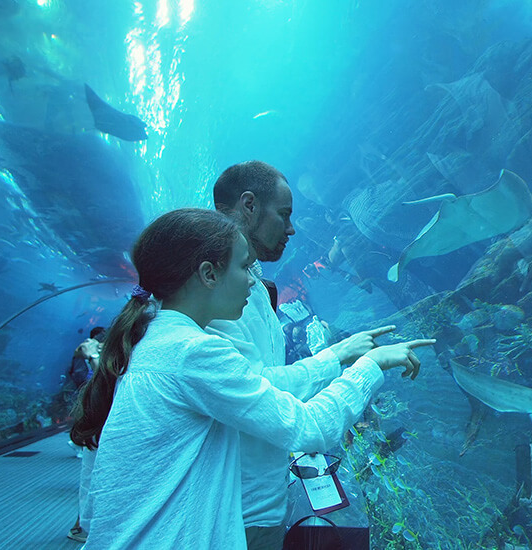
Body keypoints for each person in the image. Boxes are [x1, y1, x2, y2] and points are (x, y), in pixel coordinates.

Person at [70, 208, 433, 549]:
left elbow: (258, 388)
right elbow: (308, 427)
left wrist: (334, 357)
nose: (253, 282)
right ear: (209, 274)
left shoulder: (158, 339)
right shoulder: (193, 352)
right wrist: (370, 366)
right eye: (245, 268)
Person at [210, 161, 400, 549]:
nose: (292, 229)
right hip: (237, 512)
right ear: (249, 206)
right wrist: (359, 364)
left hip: (260, 496)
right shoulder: (217, 296)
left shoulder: (253, 285)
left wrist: (338, 353)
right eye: (284, 215)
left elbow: (258, 384)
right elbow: (268, 397)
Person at [65, 326, 105, 543]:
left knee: (91, 476)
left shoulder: (97, 355)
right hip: (98, 417)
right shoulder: (98, 359)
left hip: (96, 416)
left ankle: (82, 525)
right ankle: (82, 526)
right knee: (92, 477)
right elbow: (103, 383)